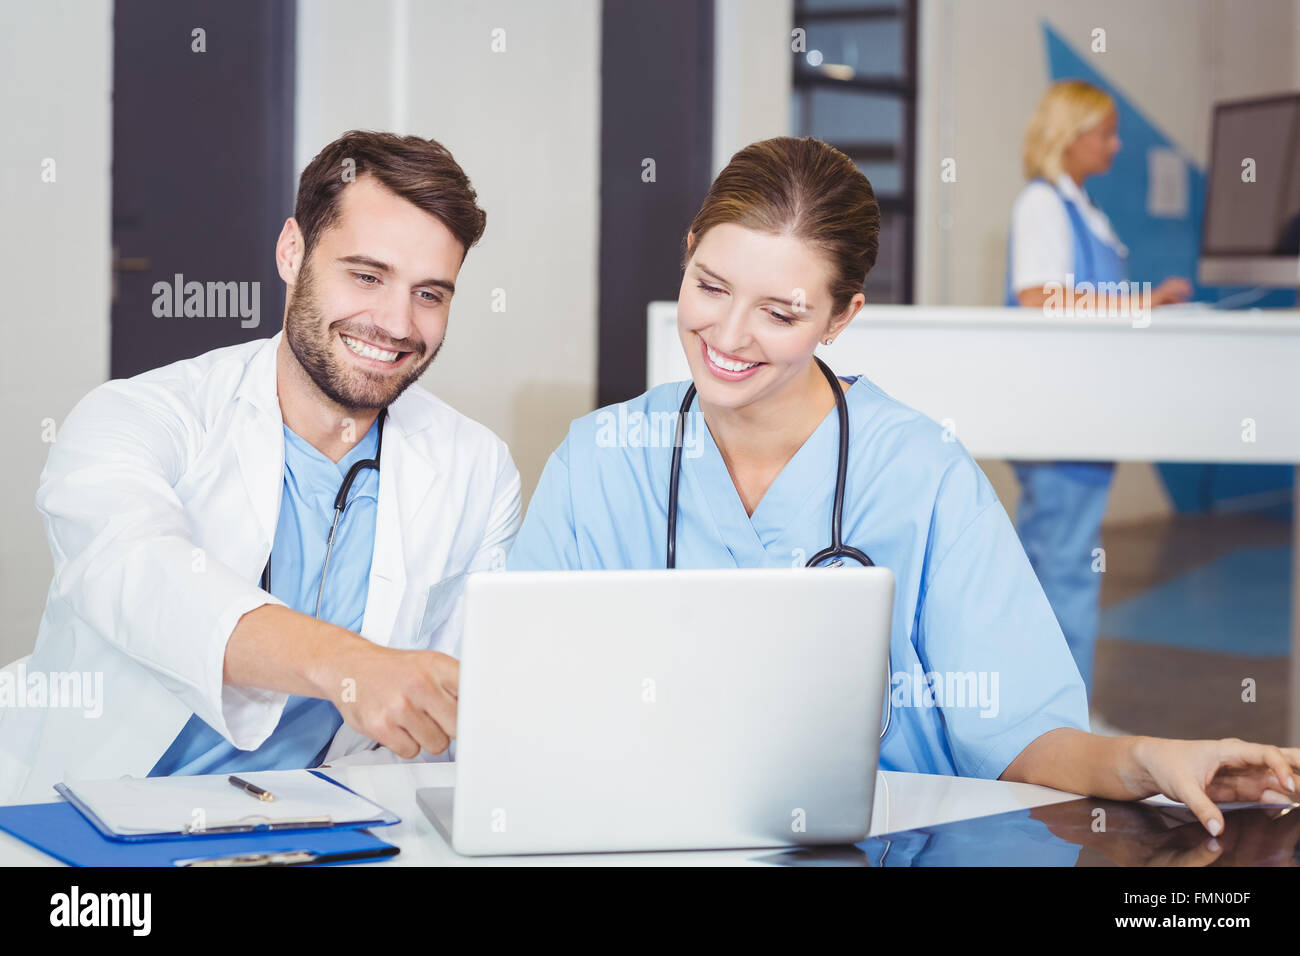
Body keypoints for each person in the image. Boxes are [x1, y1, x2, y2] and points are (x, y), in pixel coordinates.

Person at [508, 135, 1298, 837]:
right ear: (688, 252)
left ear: (841, 317)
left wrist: (1150, 758)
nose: (729, 335)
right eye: (710, 286)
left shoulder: (921, 473)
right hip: (637, 841)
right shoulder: (601, 459)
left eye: (781, 312)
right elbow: (522, 700)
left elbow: (1021, 732)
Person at [0, 131, 520, 804]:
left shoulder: (478, 468)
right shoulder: (137, 416)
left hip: (324, 819)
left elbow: (450, 705)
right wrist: (347, 666)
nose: (396, 322)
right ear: (292, 251)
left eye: (430, 294)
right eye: (366, 276)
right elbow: (140, 575)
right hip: (102, 805)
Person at [1005, 80, 1189, 712]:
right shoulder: (1042, 205)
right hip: (1061, 417)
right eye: (1105, 133)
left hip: (1081, 415)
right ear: (1070, 134)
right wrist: (1141, 301)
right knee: (1065, 571)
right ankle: (1061, 726)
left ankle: (1038, 717)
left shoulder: (1082, 208)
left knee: (1050, 563)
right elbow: (1038, 297)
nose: (1114, 146)